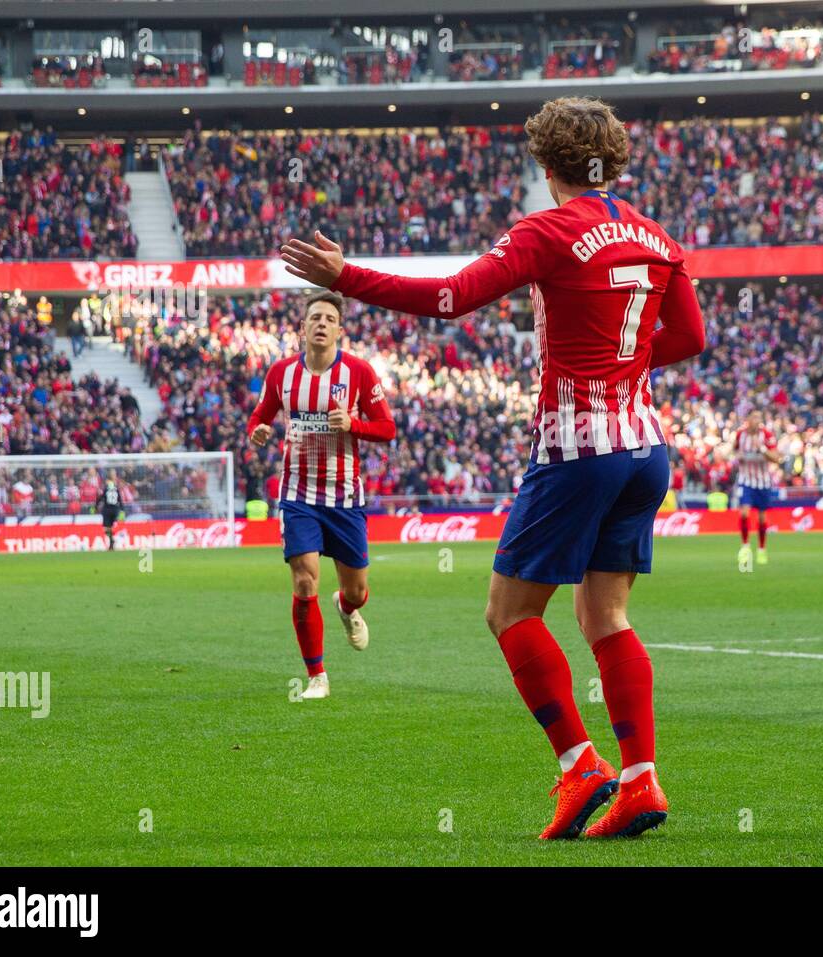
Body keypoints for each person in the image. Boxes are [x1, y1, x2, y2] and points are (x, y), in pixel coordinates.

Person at [279, 96, 706, 838]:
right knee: (605, 614)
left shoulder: (548, 230)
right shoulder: (655, 235)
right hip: (646, 450)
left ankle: (580, 764)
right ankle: (643, 780)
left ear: (547, 166)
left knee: (509, 612)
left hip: (579, 449)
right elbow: (690, 336)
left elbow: (452, 298)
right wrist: (624, 367)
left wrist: (347, 277)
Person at [247, 290, 397, 700]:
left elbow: (387, 428)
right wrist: (256, 431)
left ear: (340, 330)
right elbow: (259, 417)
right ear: (302, 328)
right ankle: (317, 676)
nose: (321, 324)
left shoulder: (359, 374)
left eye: (329, 319)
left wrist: (353, 424)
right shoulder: (281, 374)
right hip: (298, 496)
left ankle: (347, 609)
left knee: (356, 591)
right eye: (315, 317)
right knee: (303, 582)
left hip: (345, 499)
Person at [731, 409, 782, 566]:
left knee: (761, 517)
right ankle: (745, 547)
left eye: (759, 417)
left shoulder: (766, 435)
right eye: (754, 417)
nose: (757, 420)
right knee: (744, 513)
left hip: (763, 481)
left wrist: (762, 449)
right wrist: (737, 456)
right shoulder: (741, 434)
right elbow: (735, 449)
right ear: (748, 419)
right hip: (746, 481)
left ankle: (761, 548)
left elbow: (776, 458)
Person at [96, 478, 122, 550]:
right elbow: (120, 500)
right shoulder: (116, 490)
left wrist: (96, 505)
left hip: (107, 510)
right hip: (115, 510)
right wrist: (122, 509)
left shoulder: (106, 490)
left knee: (106, 528)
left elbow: (101, 498)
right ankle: (111, 543)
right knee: (111, 527)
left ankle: (111, 540)